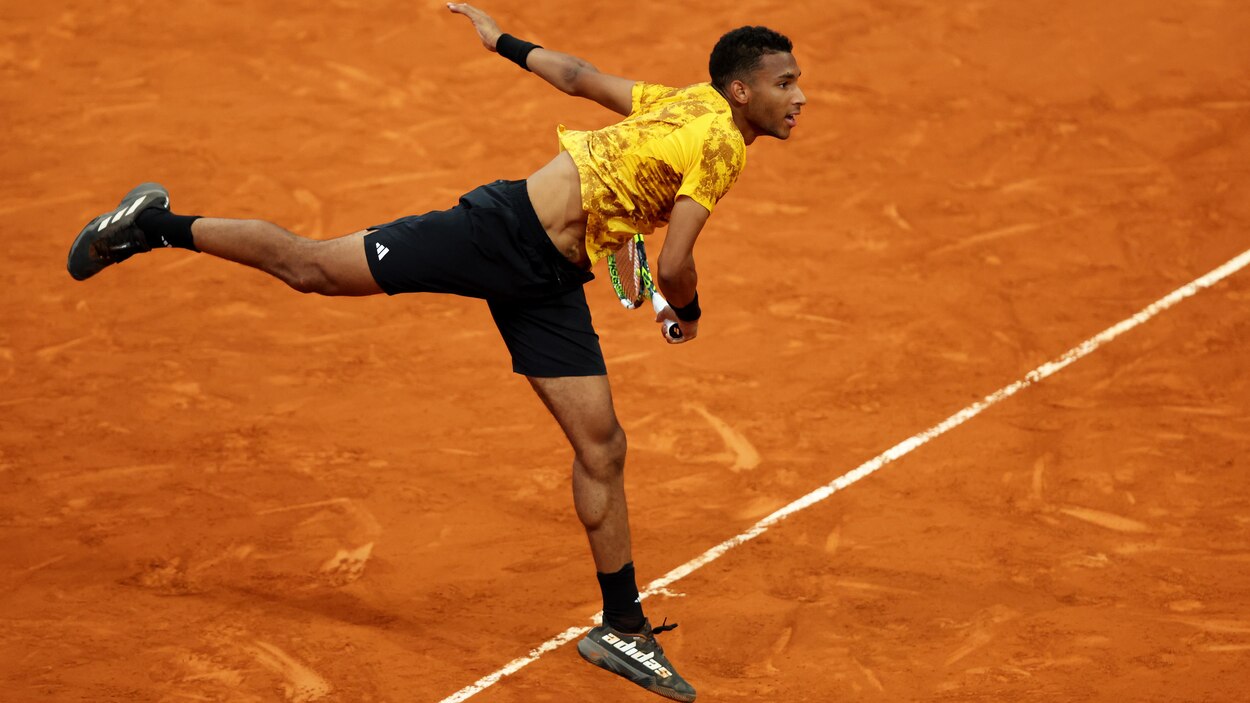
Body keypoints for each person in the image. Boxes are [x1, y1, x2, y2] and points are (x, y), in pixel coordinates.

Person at [66, 3, 805, 700]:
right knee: (311, 267)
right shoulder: (719, 146)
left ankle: (622, 627)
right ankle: (154, 225)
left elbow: (580, 77)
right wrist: (688, 314)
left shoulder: (684, 102)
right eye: (784, 84)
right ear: (740, 91)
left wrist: (501, 39)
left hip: (548, 280)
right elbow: (674, 267)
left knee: (602, 445)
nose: (800, 97)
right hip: (496, 233)